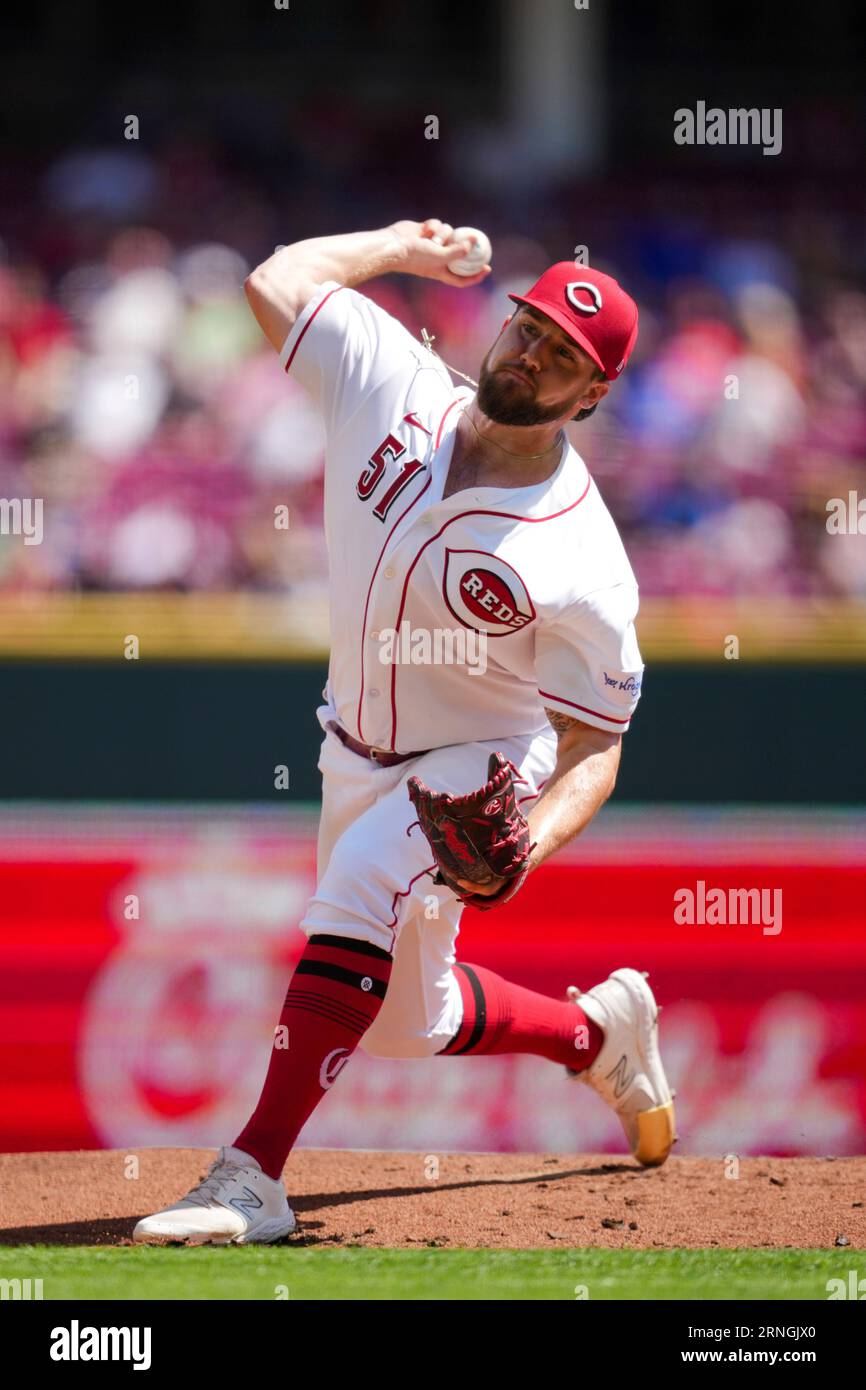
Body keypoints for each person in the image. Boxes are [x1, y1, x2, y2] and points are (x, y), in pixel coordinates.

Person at [133, 218, 675, 1245]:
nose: (533, 355)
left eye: (565, 356)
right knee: (398, 1025)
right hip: (354, 749)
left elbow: (595, 745)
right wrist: (394, 245)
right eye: (530, 328)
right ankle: (593, 1032)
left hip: (477, 765)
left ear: (591, 395)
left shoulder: (583, 561)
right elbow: (274, 279)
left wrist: (519, 854)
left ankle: (249, 1177)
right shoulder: (395, 378)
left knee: (356, 891)